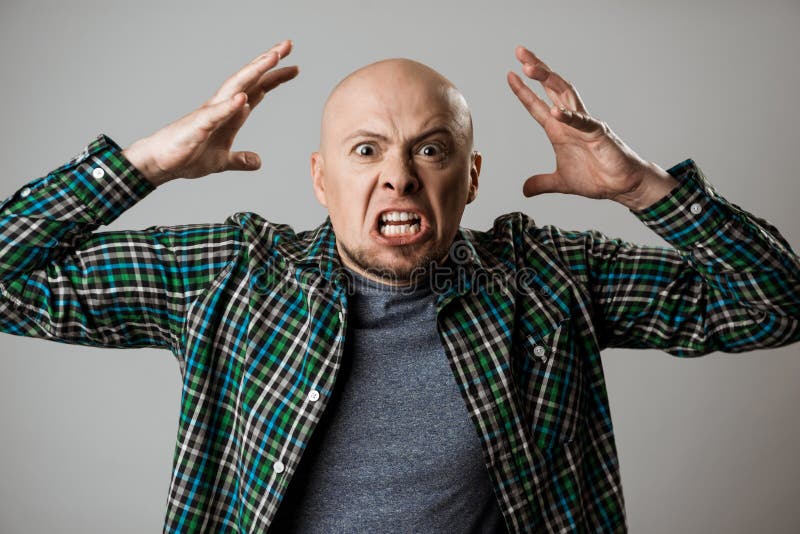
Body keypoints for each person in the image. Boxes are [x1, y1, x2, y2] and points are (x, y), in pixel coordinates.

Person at [0, 38, 797, 533]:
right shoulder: (234, 276)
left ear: (471, 176)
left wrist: (640, 187)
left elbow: (775, 305)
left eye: (429, 150)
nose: (397, 179)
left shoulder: (547, 279)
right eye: (365, 150)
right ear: (320, 179)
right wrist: (145, 164)